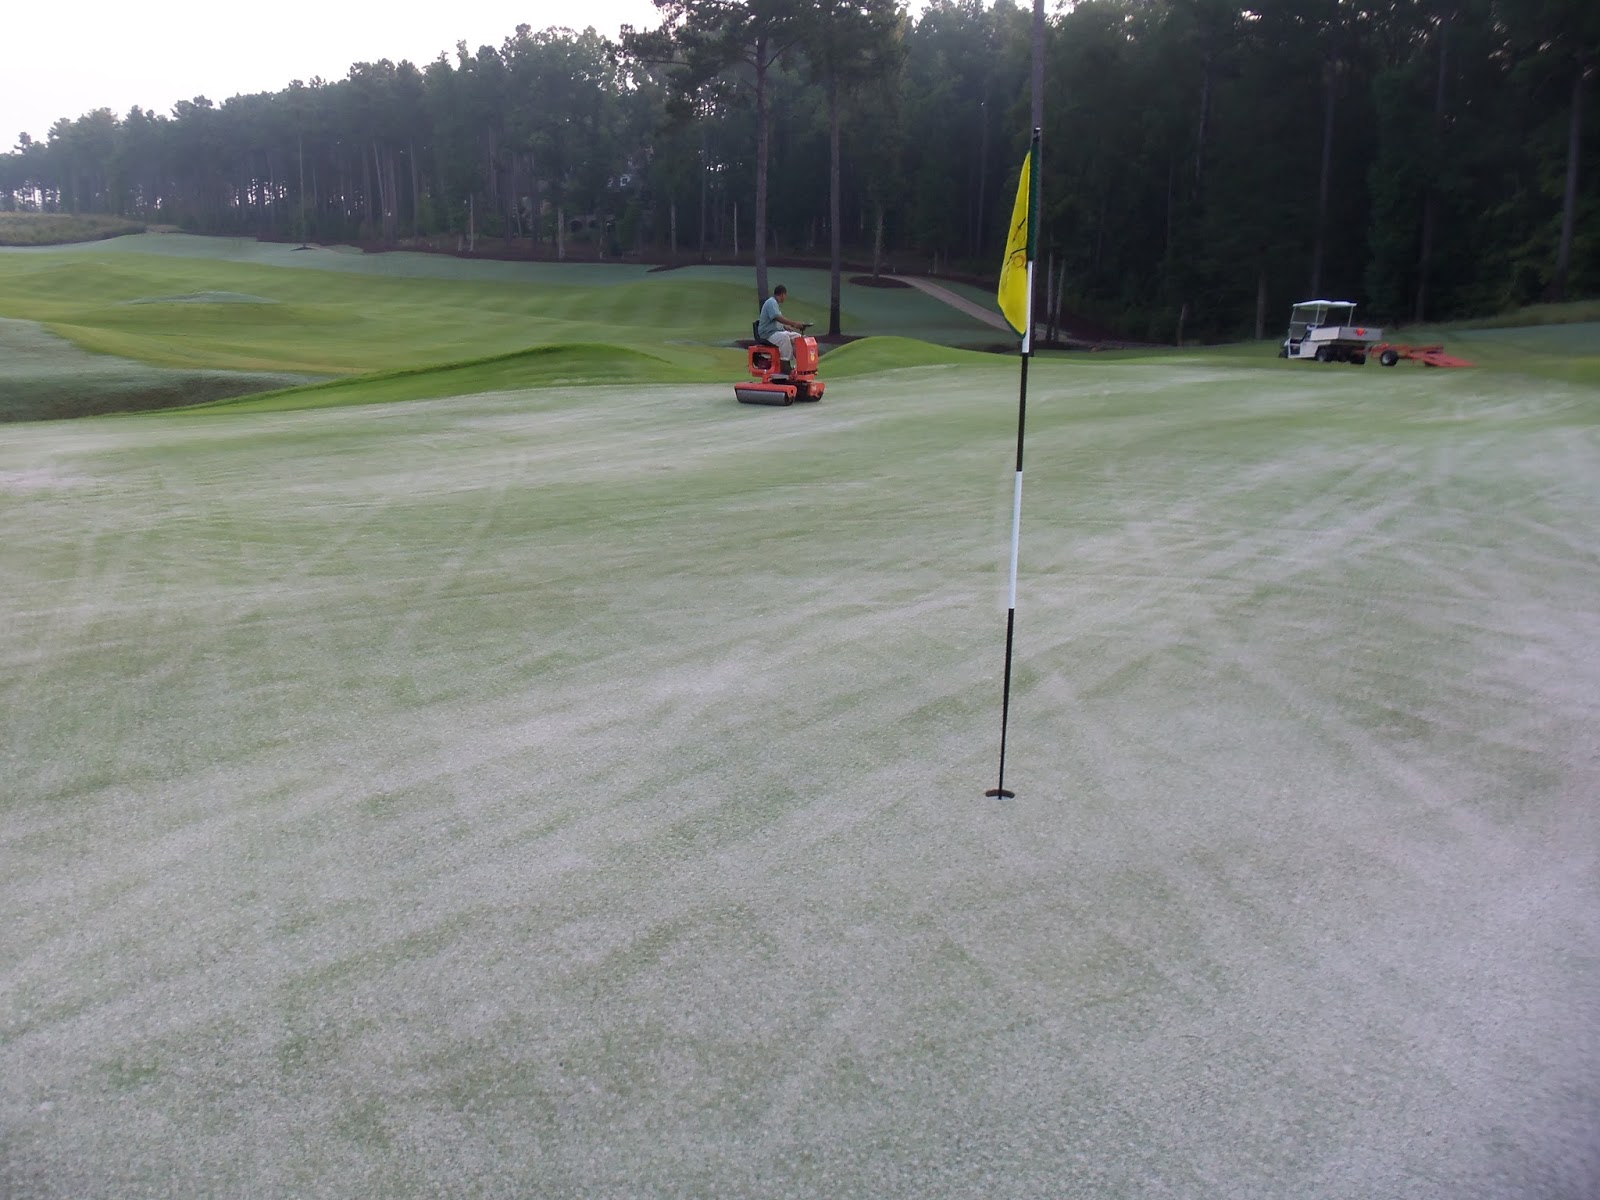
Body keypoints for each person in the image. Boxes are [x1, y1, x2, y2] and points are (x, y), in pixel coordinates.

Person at [757, 285, 810, 373]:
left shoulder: (775, 304)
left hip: (776, 332)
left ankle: (803, 364)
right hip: (767, 334)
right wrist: (794, 323)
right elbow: (777, 317)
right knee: (784, 338)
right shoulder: (771, 302)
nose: (785, 298)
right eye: (785, 295)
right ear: (782, 294)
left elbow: (776, 322)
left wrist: (786, 327)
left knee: (798, 337)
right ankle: (785, 366)